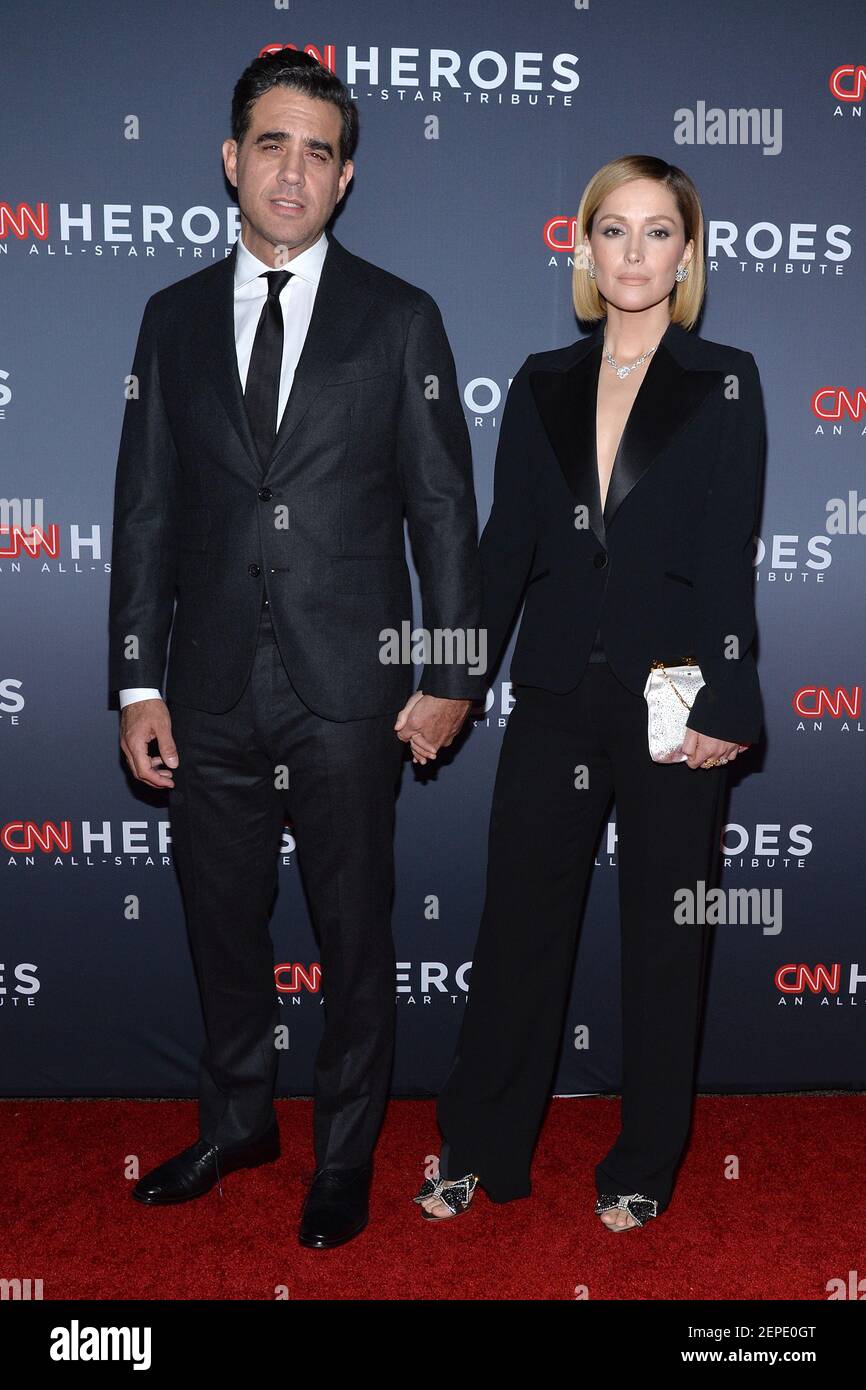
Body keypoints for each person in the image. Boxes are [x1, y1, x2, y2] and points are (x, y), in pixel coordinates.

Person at [108, 49, 480, 1249]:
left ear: (345, 175)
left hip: (349, 690)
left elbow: (442, 515)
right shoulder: (168, 320)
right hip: (207, 682)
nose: (292, 168)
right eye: (271, 142)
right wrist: (135, 676)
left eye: (317, 149)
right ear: (231, 160)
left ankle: (344, 1156)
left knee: (354, 933)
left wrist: (452, 673)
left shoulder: (400, 316)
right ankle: (236, 1122)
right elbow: (146, 510)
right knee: (220, 924)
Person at [411, 155, 767, 1231]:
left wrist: (727, 701)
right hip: (556, 690)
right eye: (611, 229)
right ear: (582, 246)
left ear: (686, 253)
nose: (633, 253)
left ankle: (644, 1160)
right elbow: (503, 549)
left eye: (657, 232)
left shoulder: (725, 381)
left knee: (665, 936)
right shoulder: (540, 381)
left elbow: (723, 560)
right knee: (517, 927)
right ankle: (477, 1147)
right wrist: (450, 681)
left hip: (673, 690)